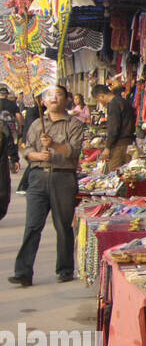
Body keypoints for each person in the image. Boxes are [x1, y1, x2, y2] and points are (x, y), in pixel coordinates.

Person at [10, 85, 84, 286]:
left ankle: (65, 269)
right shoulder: (36, 124)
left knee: (62, 225)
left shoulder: (74, 124)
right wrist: (37, 155)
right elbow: (27, 150)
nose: (53, 98)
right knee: (33, 225)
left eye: (58, 95)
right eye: (49, 96)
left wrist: (53, 146)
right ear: (43, 101)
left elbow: (72, 151)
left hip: (63, 178)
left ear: (67, 99)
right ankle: (23, 271)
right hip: (38, 177)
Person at [92, 83, 135, 172]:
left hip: (120, 145)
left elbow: (114, 128)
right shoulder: (123, 101)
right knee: (126, 172)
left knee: (114, 172)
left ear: (101, 96)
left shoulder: (114, 104)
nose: (100, 103)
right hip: (129, 142)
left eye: (98, 100)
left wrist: (107, 148)